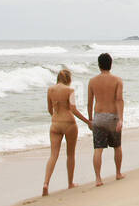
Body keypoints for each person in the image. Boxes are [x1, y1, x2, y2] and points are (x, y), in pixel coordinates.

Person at [43, 68, 91, 195]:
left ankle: (46, 183)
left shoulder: (50, 90)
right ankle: (70, 183)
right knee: (70, 154)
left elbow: (49, 109)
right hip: (69, 124)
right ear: (68, 79)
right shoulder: (70, 90)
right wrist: (87, 122)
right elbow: (73, 110)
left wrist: (56, 117)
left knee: (53, 155)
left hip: (55, 124)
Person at [87, 52, 125, 186]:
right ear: (111, 64)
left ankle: (98, 179)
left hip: (98, 117)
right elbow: (119, 99)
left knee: (98, 149)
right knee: (117, 146)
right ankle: (118, 173)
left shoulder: (92, 81)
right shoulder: (117, 80)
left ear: (99, 65)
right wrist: (120, 118)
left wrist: (90, 119)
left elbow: (90, 102)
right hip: (112, 117)